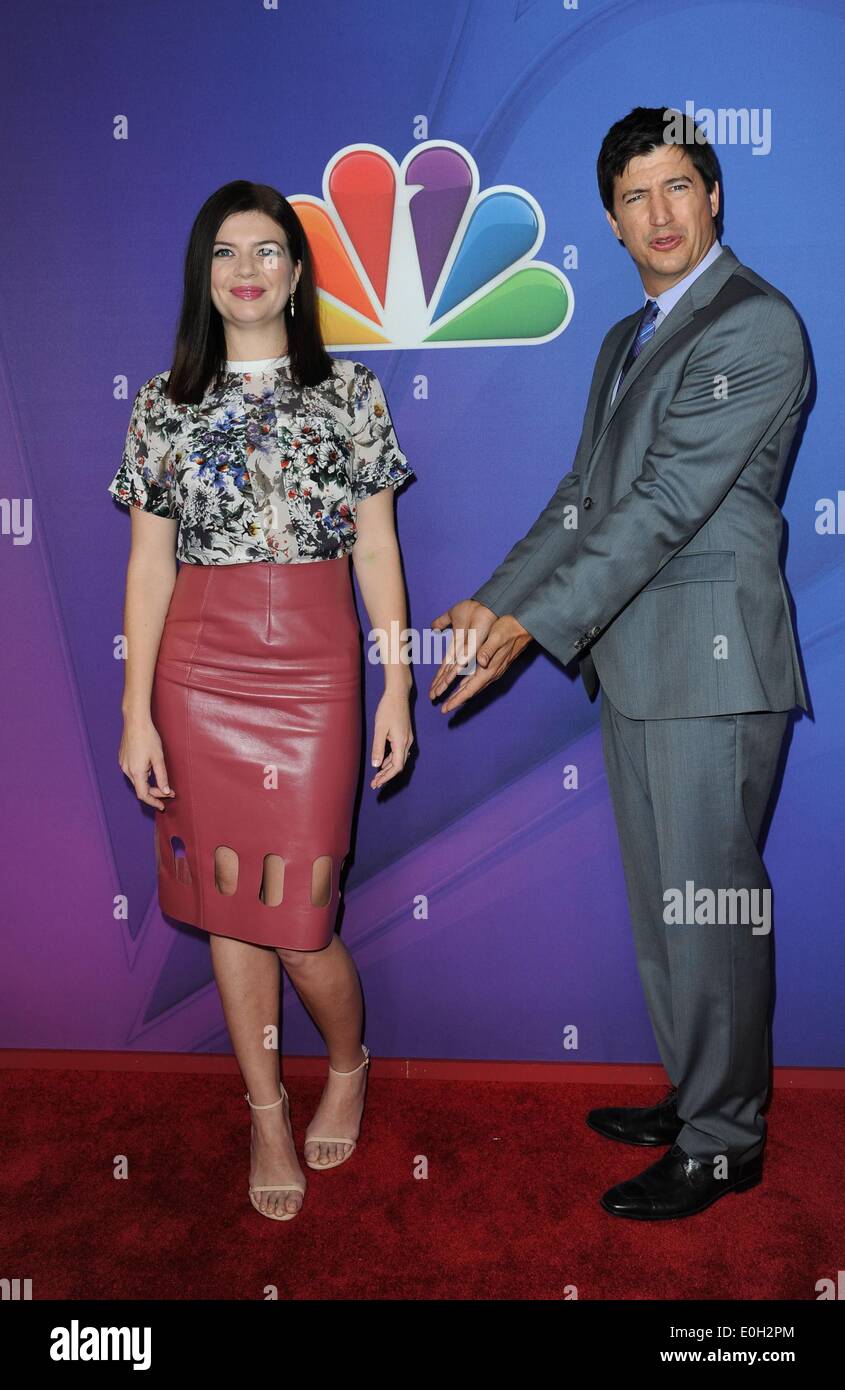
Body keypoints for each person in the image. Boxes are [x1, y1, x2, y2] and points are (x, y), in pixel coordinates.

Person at [429, 106, 811, 1220]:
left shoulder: (754, 326)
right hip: (639, 664)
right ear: (608, 218)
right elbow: (580, 498)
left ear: (713, 196)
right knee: (666, 913)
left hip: (710, 667)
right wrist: (501, 595)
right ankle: (699, 1095)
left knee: (707, 911)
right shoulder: (622, 338)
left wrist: (526, 627)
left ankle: (723, 1141)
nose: (659, 211)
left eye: (678, 185)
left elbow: (661, 507)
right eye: (636, 194)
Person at [108, 181, 415, 1221]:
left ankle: (347, 1061)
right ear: (205, 274)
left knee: (298, 920)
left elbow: (375, 543)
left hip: (318, 670)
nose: (246, 267)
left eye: (268, 249)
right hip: (198, 668)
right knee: (229, 909)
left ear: (295, 271)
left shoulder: (351, 394)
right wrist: (133, 709)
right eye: (225, 251)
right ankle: (265, 1108)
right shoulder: (162, 400)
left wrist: (396, 685)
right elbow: (149, 570)